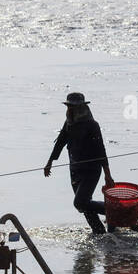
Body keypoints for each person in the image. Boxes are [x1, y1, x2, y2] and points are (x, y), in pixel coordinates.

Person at [44, 92, 115, 235]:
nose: (71, 109)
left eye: (75, 106)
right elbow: (60, 143)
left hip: (91, 170)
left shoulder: (92, 125)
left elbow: (101, 149)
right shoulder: (69, 122)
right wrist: (49, 162)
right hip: (75, 169)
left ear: (83, 107)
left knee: (80, 202)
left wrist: (107, 174)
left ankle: (113, 212)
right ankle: (99, 232)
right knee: (84, 206)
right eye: (69, 106)